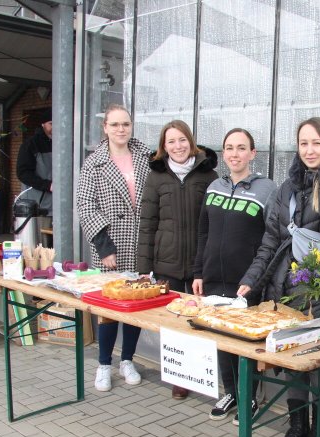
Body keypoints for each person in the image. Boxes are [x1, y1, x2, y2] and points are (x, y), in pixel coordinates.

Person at [238, 117, 320, 437]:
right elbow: (271, 241)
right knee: (292, 356)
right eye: (303, 143)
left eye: (316, 143)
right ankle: (297, 428)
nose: (309, 150)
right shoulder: (287, 188)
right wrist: (251, 280)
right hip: (288, 286)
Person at [192, 128, 277, 423]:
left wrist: (256, 279)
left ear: (252, 153)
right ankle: (230, 392)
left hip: (245, 283)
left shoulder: (267, 190)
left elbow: (272, 238)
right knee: (220, 339)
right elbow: (203, 233)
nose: (234, 154)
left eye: (241, 148)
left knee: (243, 343)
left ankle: (249, 398)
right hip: (214, 279)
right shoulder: (214, 186)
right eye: (229, 148)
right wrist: (199, 272)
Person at [137, 119, 218, 400]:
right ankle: (179, 377)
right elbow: (148, 223)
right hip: (166, 263)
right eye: (171, 141)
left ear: (191, 142)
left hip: (199, 263)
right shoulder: (156, 176)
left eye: (182, 140)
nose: (178, 146)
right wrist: (144, 268)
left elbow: (215, 222)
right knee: (173, 323)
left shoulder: (208, 175)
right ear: (164, 146)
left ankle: (200, 373)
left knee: (198, 319)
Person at [77, 104, 152, 392]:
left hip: (140, 243)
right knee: (108, 309)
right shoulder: (94, 163)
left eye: (126, 124)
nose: (121, 129)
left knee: (135, 304)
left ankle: (128, 360)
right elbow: (86, 206)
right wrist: (104, 247)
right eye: (115, 124)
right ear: (105, 127)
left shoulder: (146, 157)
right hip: (111, 246)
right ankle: (104, 364)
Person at [16, 108, 53, 238]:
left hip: (59, 206)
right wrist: (48, 185)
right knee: (38, 243)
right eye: (51, 124)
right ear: (43, 124)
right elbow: (22, 173)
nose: (54, 128)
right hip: (37, 208)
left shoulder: (66, 143)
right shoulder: (30, 144)